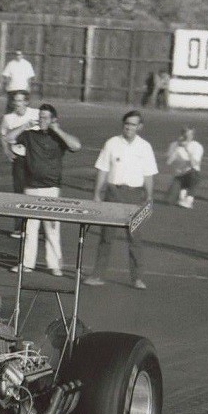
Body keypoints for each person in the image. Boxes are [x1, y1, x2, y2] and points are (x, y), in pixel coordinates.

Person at [86, 110, 158, 290]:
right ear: (123, 124)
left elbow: (148, 175)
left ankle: (137, 278)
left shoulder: (145, 147)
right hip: (113, 194)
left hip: (134, 196)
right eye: (127, 123)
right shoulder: (111, 143)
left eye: (133, 124)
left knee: (135, 239)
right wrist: (97, 194)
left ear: (140, 127)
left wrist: (149, 197)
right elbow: (102, 169)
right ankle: (98, 275)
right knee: (106, 237)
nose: (129, 127)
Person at [12, 104, 81, 276]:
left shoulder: (58, 138)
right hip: (31, 187)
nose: (42, 120)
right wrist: (23, 126)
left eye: (45, 117)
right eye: (40, 117)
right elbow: (8, 138)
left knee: (52, 228)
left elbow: (76, 146)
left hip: (51, 189)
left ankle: (54, 264)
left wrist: (57, 130)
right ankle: (27, 263)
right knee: (29, 229)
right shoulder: (29, 135)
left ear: (53, 120)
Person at [0, 90, 40, 238]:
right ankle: (19, 227)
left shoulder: (36, 113)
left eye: (20, 100)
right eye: (15, 101)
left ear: (26, 102)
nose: (17, 104)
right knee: (19, 192)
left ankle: (38, 227)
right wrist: (7, 151)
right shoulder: (8, 118)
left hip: (36, 158)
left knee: (36, 191)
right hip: (20, 158)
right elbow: (3, 135)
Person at [165, 127, 204, 208]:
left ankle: (189, 200)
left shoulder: (197, 146)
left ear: (192, 136)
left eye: (189, 135)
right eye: (185, 135)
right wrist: (177, 148)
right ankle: (182, 193)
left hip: (191, 174)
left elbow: (194, 164)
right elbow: (168, 162)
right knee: (169, 200)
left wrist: (186, 149)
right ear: (181, 135)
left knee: (195, 174)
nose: (187, 137)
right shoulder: (174, 145)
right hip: (179, 176)